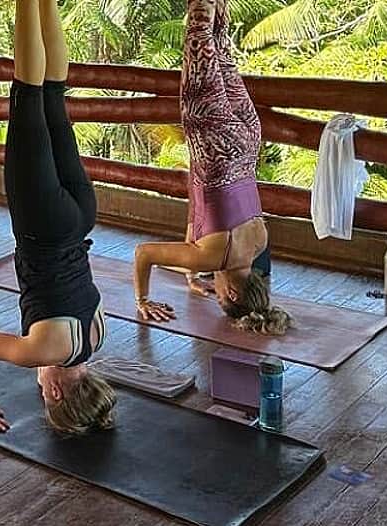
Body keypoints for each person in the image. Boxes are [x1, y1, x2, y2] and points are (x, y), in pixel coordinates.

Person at [0, 0, 116, 436]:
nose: (40, 389)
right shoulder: (43, 349)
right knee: (28, 94)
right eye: (45, 395)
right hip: (43, 225)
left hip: (82, 218)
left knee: (52, 94)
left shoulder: (95, 336)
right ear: (58, 392)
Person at [131, 0, 292, 335]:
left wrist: (192, 270)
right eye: (221, 298)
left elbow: (204, 212)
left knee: (219, 38)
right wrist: (143, 300)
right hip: (213, 136)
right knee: (199, 27)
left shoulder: (258, 243)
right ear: (231, 293)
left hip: (247, 138)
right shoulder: (212, 259)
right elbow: (143, 253)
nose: (215, 292)